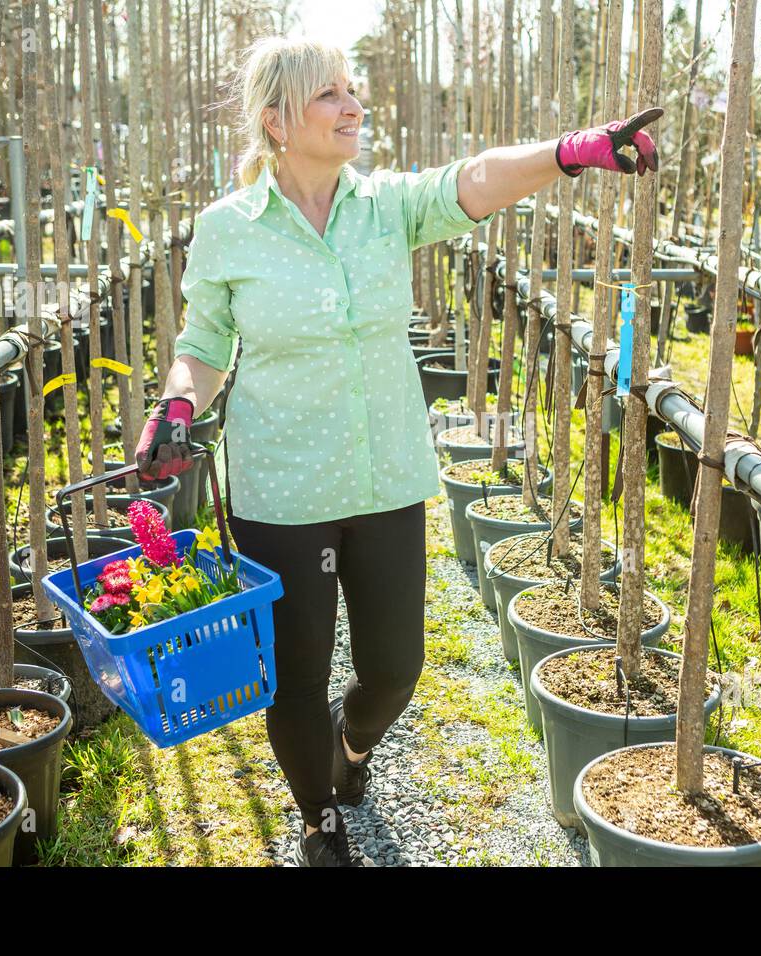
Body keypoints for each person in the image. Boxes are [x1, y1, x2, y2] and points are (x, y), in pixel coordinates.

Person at [135, 35, 659, 867]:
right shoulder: (227, 231)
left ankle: (352, 743)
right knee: (297, 675)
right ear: (276, 122)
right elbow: (202, 346)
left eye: (353, 90)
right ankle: (319, 817)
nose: (354, 107)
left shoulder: (385, 205)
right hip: (283, 486)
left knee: (395, 669)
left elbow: (476, 179)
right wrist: (174, 405)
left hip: (385, 478)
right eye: (330, 96)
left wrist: (571, 152)